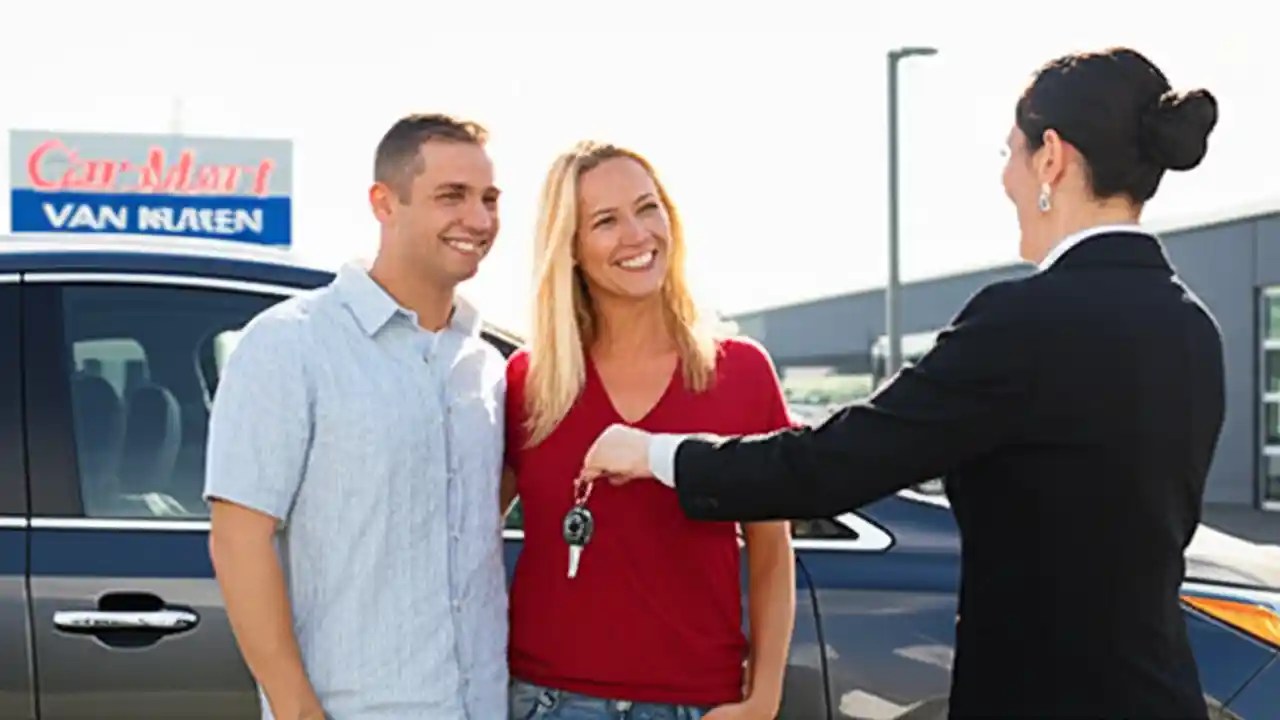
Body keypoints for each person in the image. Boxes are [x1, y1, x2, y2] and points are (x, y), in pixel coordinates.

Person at [580, 47, 1225, 719]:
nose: (1006, 177)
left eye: (1011, 153)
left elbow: (832, 466)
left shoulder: (1022, 321)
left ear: (1052, 158)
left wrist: (655, 453)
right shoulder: (1192, 327)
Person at [204, 113, 508, 720]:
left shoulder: (487, 366)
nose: (478, 219)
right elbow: (238, 539)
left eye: (489, 199)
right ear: (384, 202)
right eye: (452, 196)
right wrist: (296, 710)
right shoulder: (291, 343)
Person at [500, 141, 796, 719]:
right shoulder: (527, 384)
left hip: (699, 704)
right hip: (551, 702)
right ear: (573, 250)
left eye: (647, 208)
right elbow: (466, 540)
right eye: (606, 221)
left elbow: (770, 552)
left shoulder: (741, 372)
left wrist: (763, 698)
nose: (637, 235)